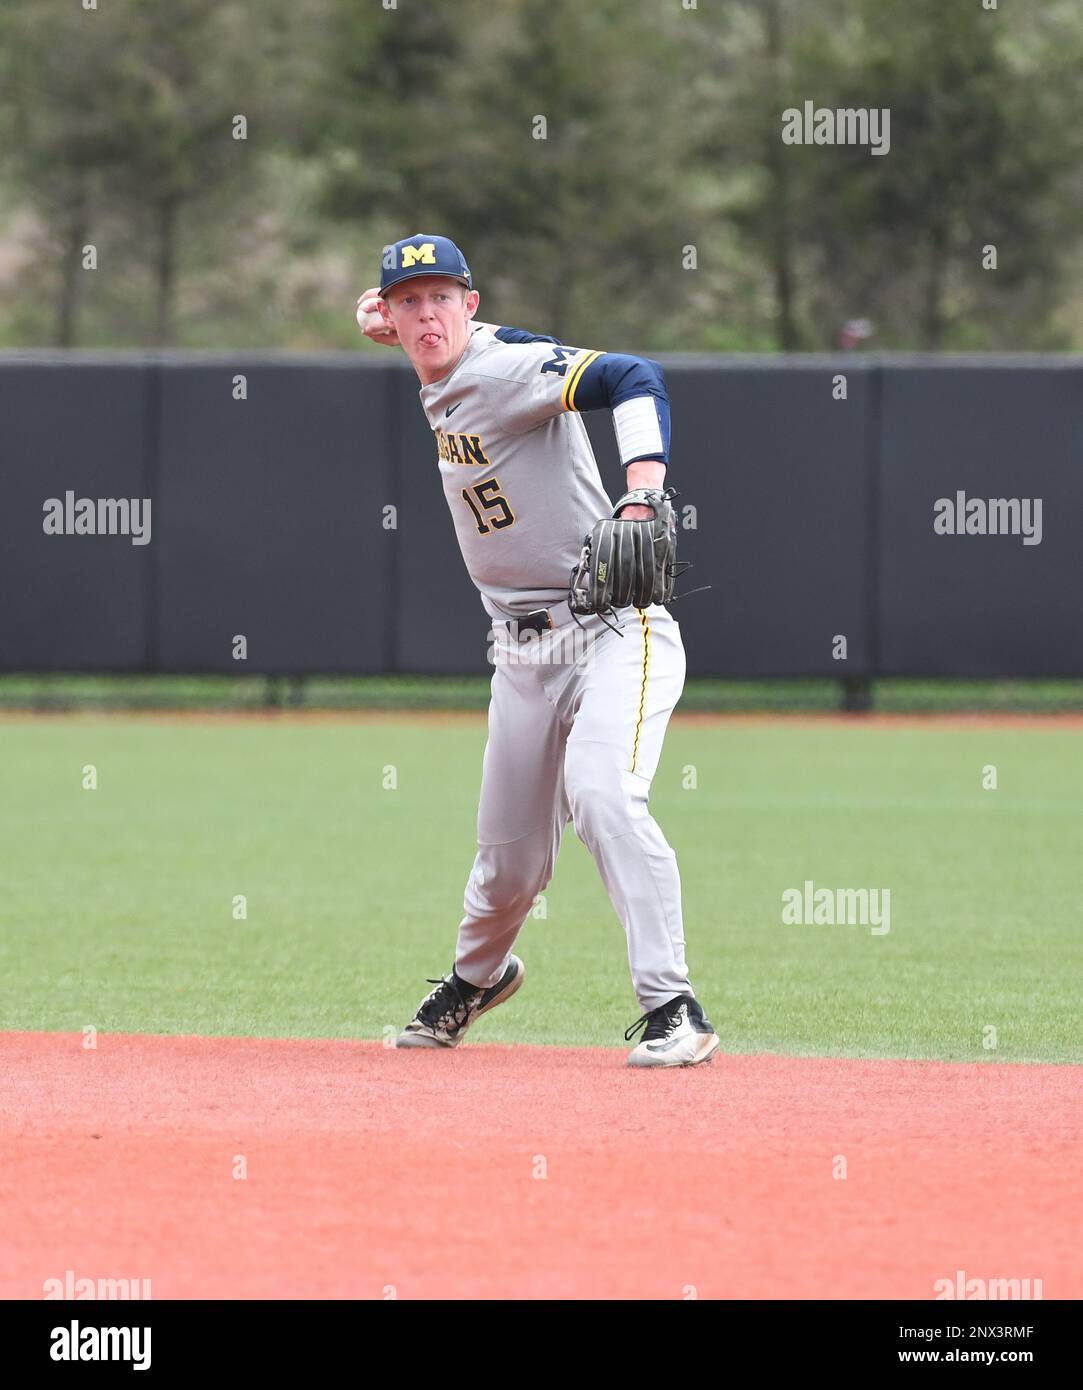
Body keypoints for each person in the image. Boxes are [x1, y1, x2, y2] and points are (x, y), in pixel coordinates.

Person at [356, 233, 718, 1068]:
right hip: (518, 655)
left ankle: (673, 1006)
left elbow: (633, 376)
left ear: (471, 304)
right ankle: (477, 978)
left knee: (603, 795)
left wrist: (642, 492)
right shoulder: (437, 365)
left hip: (610, 628)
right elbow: (422, 337)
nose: (425, 313)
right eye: (408, 301)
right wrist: (393, 325)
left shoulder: (501, 367)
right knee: (508, 862)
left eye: (442, 296)